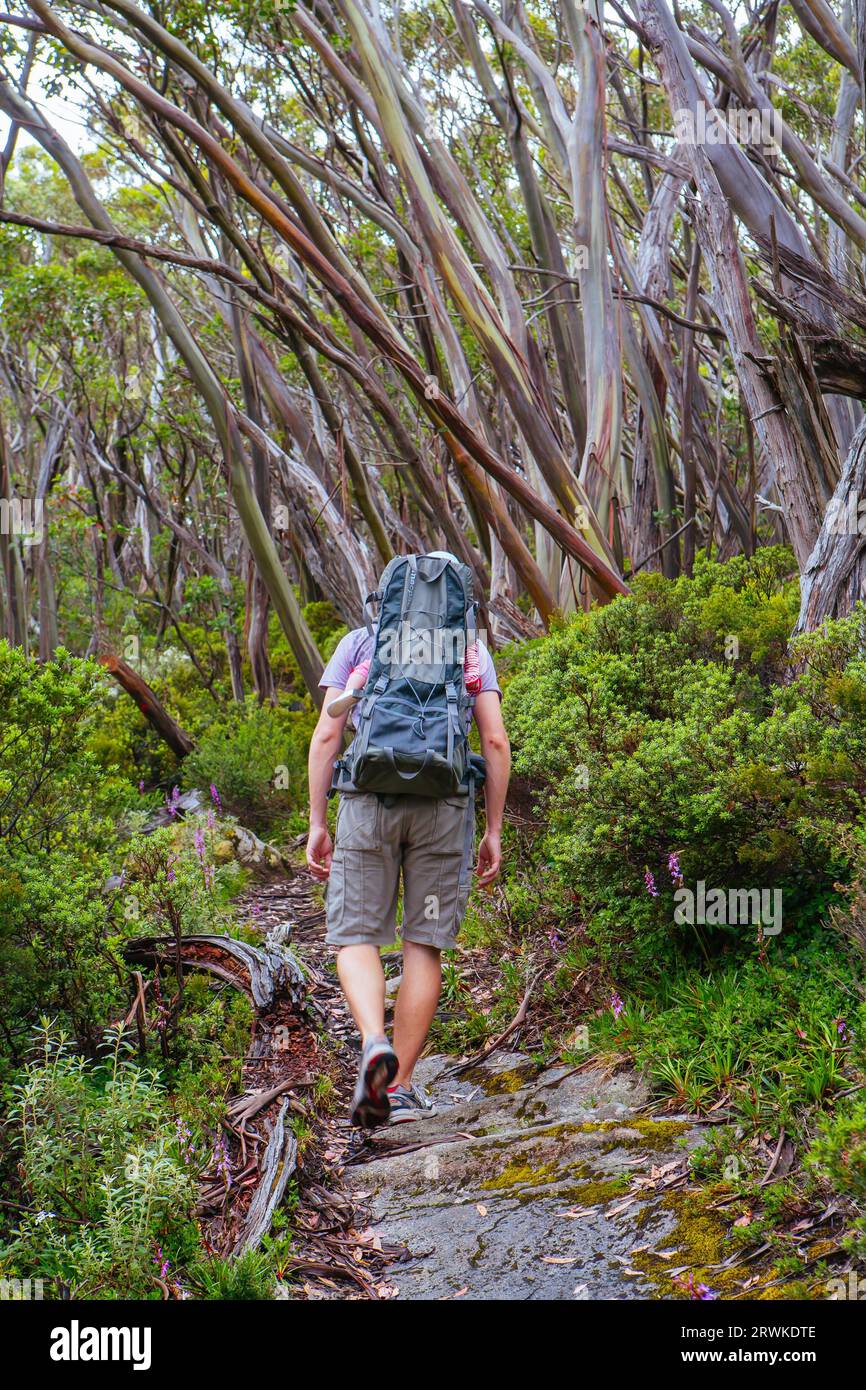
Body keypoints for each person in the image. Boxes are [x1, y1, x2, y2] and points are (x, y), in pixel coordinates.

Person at [306, 555, 510, 1126]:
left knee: (355, 934)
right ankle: (398, 1088)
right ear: (460, 602)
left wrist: (318, 820)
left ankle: (374, 1041)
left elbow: (327, 733)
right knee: (423, 944)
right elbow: (494, 742)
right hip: (444, 809)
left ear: (388, 596)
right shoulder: (470, 653)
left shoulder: (361, 644)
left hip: (369, 801)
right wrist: (493, 828)